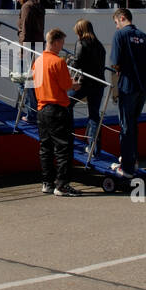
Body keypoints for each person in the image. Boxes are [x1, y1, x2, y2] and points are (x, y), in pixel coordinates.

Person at [108, 7, 146, 178]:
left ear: (122, 18)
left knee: (125, 125)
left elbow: (115, 62)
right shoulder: (145, 36)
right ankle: (133, 160)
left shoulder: (120, 35)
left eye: (116, 23)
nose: (116, 27)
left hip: (128, 85)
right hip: (144, 86)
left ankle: (127, 167)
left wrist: (121, 68)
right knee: (133, 124)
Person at [33, 28, 81, 197]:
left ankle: (47, 182)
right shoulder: (58, 62)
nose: (62, 46)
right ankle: (62, 185)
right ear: (55, 42)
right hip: (57, 108)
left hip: (41, 108)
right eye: (61, 43)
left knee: (45, 147)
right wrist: (75, 84)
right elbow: (67, 86)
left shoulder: (37, 61)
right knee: (63, 148)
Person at [69, 18, 107, 145]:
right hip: (99, 83)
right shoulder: (99, 45)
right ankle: (94, 148)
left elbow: (77, 62)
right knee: (94, 115)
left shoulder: (81, 42)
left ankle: (69, 134)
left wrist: (69, 60)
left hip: (85, 83)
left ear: (79, 30)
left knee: (66, 103)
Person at [14, 0, 45, 118]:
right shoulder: (38, 5)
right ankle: (35, 111)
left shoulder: (26, 7)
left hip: (28, 46)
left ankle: (32, 112)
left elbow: (25, 30)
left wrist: (22, 49)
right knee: (32, 81)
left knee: (20, 79)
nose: (16, 0)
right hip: (38, 45)